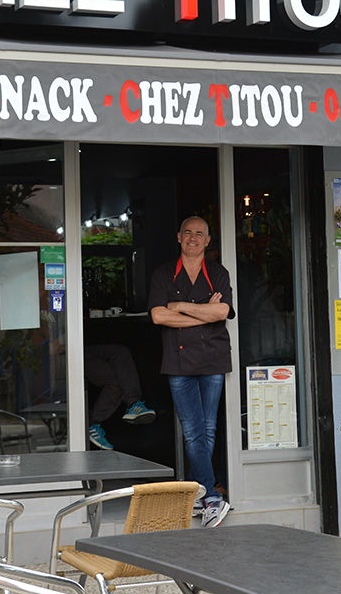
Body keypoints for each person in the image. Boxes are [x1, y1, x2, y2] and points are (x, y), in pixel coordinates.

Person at [148, 216, 235, 528]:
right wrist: (205, 315)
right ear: (179, 236)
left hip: (213, 359)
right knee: (193, 430)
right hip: (179, 361)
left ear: (208, 240)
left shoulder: (218, 273)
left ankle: (200, 492)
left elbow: (224, 311)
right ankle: (212, 496)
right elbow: (158, 316)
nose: (193, 238)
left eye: (200, 234)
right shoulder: (163, 273)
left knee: (208, 429)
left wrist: (179, 307)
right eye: (188, 232)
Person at [84, 343, 156, 450]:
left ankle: (134, 404)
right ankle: (92, 423)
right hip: (69, 354)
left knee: (120, 352)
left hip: (84, 347)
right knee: (115, 381)